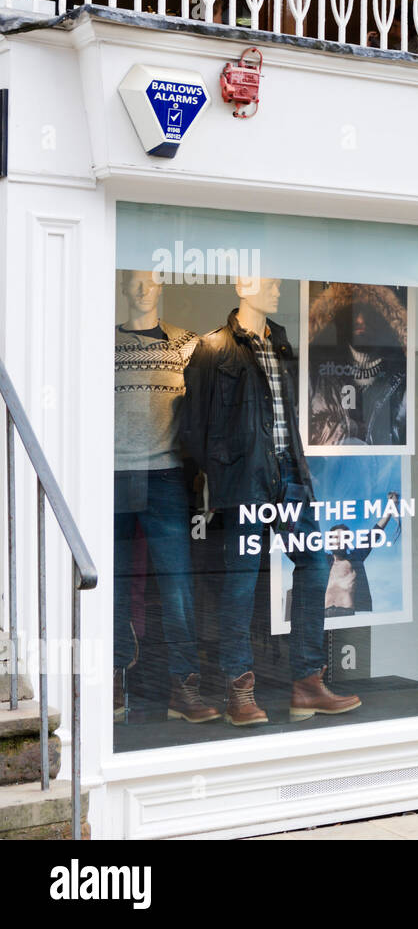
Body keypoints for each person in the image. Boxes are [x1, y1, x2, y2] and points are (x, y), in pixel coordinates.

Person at [181, 276, 362, 726]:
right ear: (243, 285)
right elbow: (194, 428)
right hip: (245, 477)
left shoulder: (279, 341)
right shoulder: (213, 348)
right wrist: (225, 469)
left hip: (289, 472)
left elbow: (289, 412)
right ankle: (238, 689)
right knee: (241, 581)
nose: (278, 288)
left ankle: (306, 683)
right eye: (269, 281)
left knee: (316, 563)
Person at [113, 271, 218, 725]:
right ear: (122, 288)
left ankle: (184, 686)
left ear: (161, 287)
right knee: (112, 585)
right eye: (132, 281)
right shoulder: (100, 343)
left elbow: (211, 408)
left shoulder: (188, 345)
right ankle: (113, 683)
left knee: (176, 585)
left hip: (166, 475)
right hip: (109, 475)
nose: (141, 289)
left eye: (149, 281)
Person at [306, 282, 407, 448]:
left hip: (387, 473)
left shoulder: (403, 377)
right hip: (325, 472)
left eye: (369, 312)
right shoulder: (315, 370)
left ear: (385, 318)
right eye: (352, 312)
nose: (360, 319)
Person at [324, 491, 400, 618]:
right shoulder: (323, 561)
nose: (337, 540)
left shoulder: (355, 558)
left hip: (345, 613)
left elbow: (374, 534)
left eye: (342, 537)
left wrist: (391, 506)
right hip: (324, 614)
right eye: (334, 537)